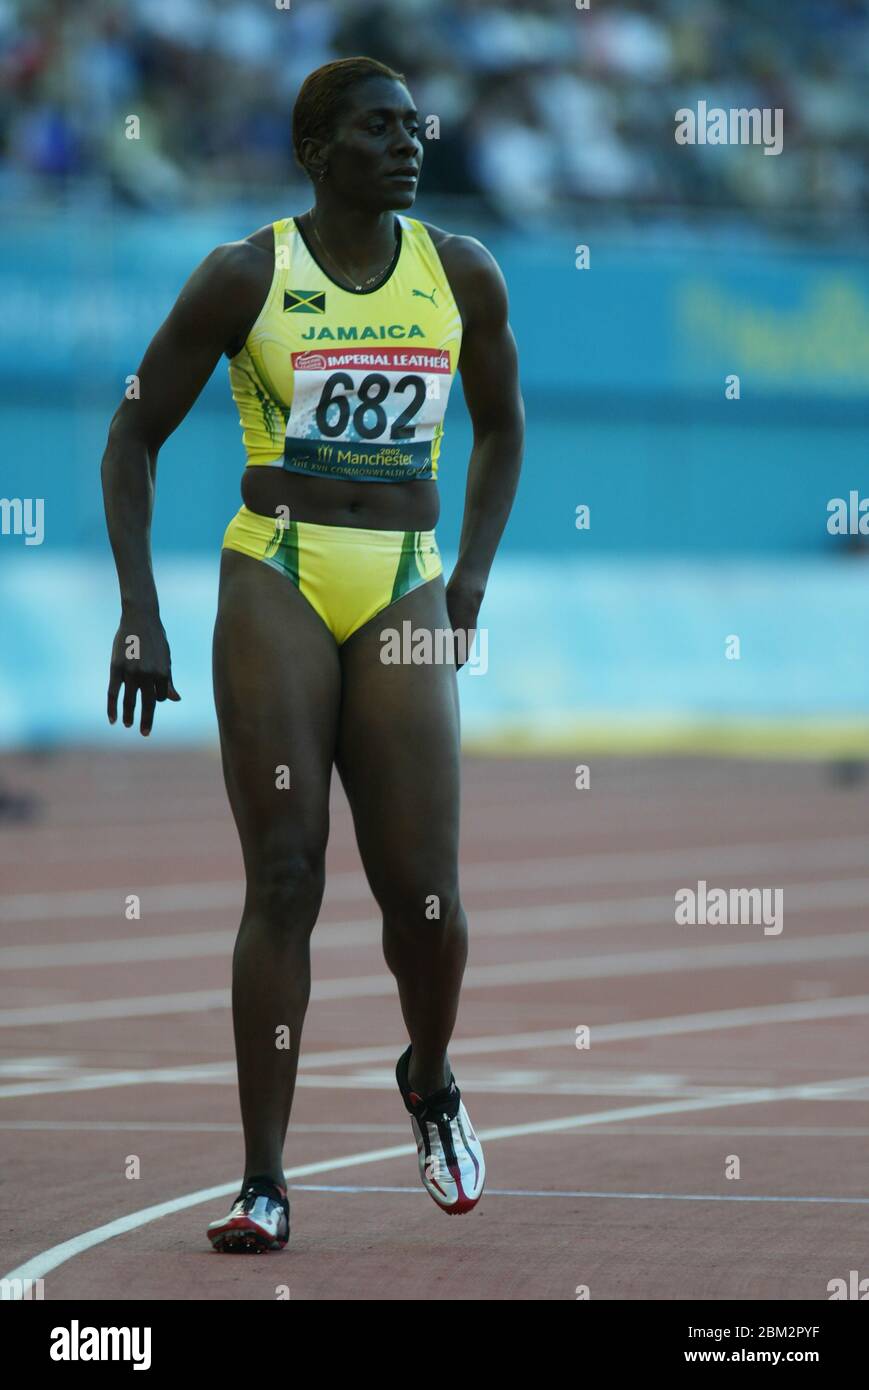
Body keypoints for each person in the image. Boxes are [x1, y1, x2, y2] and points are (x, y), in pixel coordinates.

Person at [101, 56, 524, 1252]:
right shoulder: (247, 274)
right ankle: (264, 1180)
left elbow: (502, 427)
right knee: (284, 875)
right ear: (315, 149)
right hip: (276, 568)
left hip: (400, 581)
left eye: (413, 127)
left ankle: (428, 1075)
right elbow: (130, 436)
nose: (407, 144)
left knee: (424, 896)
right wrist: (140, 609)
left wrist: (472, 575)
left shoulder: (461, 274)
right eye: (377, 129)